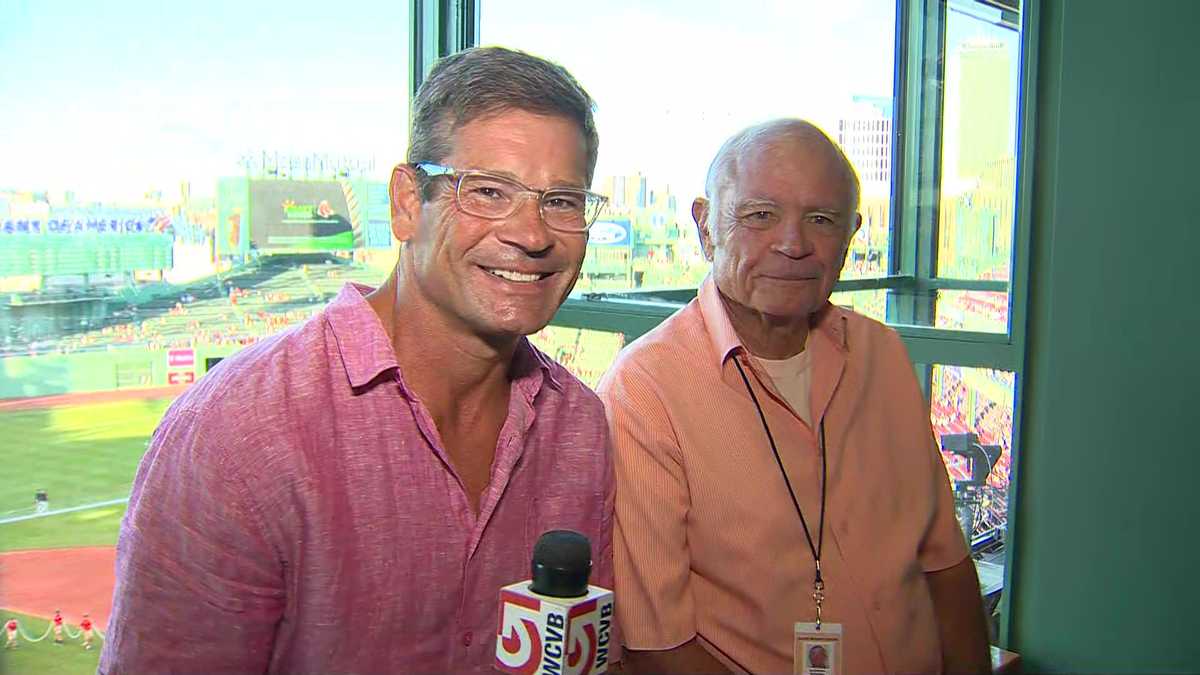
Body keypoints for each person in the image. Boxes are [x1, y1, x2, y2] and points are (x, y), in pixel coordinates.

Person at [101, 47, 617, 674]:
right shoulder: (237, 433)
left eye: (562, 201)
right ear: (406, 203)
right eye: (487, 191)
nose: (532, 234)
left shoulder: (581, 428)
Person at [599, 119, 991, 674]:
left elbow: (945, 564)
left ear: (850, 236)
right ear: (705, 226)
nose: (793, 244)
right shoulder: (645, 390)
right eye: (760, 215)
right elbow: (659, 649)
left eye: (821, 220)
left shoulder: (883, 355)